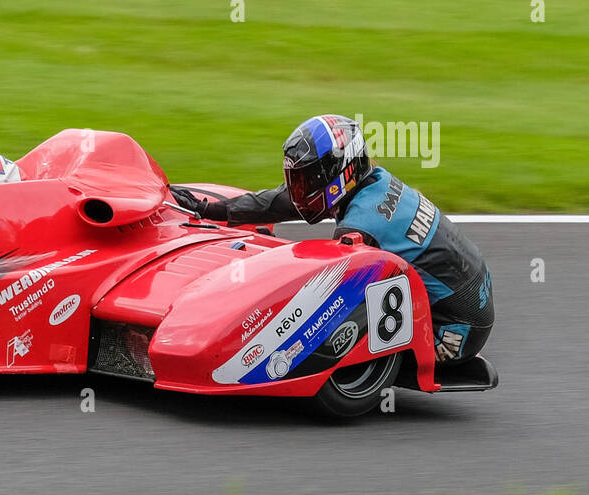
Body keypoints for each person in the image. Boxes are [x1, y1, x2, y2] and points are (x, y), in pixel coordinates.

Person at [170, 115, 493, 365]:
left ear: (343, 170)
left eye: (308, 179)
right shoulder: (374, 182)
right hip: (466, 303)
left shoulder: (361, 225)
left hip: (452, 333)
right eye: (296, 179)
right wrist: (211, 209)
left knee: (322, 305)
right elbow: (281, 202)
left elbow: (324, 290)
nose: (299, 189)